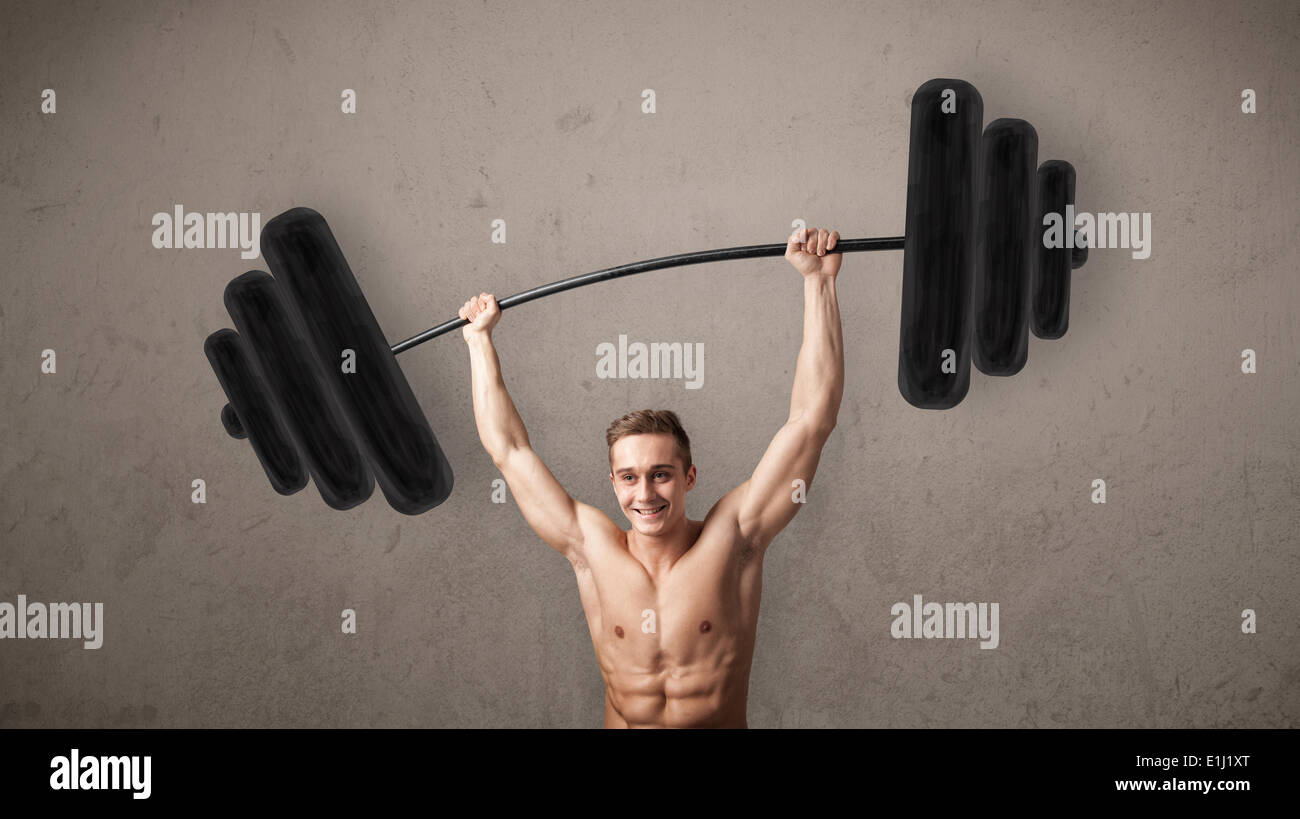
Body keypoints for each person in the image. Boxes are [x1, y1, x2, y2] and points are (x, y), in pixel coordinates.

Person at [458, 227, 843, 727]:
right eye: (630, 477)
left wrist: (818, 284)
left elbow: (811, 422)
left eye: (661, 475)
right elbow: (508, 451)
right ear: (614, 482)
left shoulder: (736, 536)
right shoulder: (590, 546)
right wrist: (478, 340)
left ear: (689, 477)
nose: (645, 493)